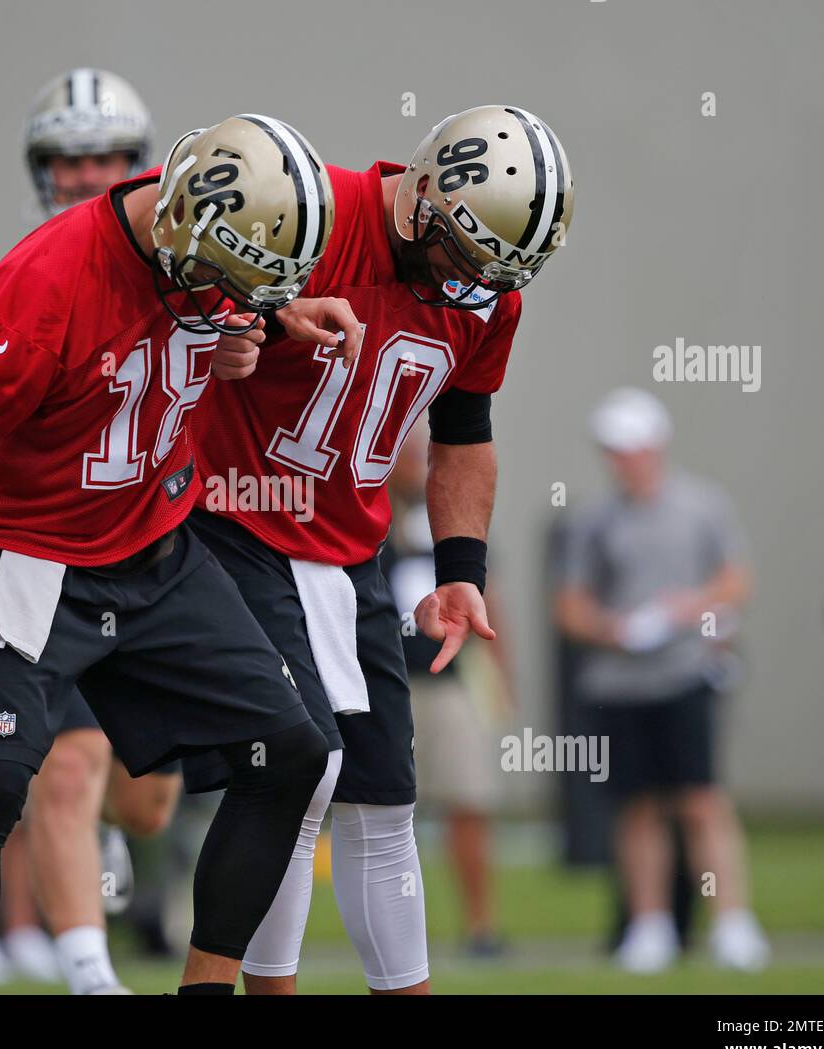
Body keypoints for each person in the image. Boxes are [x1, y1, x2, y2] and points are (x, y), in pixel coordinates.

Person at [0, 114, 359, 995]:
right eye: (230, 278)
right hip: (25, 559)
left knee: (291, 753)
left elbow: (220, 303)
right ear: (183, 225)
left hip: (153, 545)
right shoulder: (41, 282)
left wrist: (277, 318)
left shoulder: (212, 247)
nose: (234, 294)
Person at [185, 105, 574, 993]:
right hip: (235, 520)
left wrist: (461, 571)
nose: (468, 285)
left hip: (351, 550)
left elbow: (465, 430)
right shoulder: (309, 209)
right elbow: (175, 299)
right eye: (463, 256)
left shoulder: (487, 296)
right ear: (424, 197)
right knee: (301, 777)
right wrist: (239, 328)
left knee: (385, 802)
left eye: (493, 271)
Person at [0, 67, 184, 994]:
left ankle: (103, 836)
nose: (91, 175)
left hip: (153, 555)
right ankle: (91, 975)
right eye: (70, 159)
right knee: (65, 768)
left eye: (109, 157)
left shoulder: (183, 273)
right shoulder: (19, 284)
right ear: (41, 171)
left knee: (145, 802)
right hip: (49, 560)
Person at [555, 388, 769, 972]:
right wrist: (616, 628)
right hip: (620, 684)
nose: (625, 461)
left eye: (633, 449)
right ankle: (649, 927)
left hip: (686, 675)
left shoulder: (702, 506)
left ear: (657, 445)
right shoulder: (592, 521)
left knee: (701, 802)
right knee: (638, 807)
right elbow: (571, 608)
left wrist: (684, 608)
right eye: (615, 451)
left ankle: (732, 924)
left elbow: (735, 581)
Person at [383, 427, 511, 956]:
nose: (417, 469)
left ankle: (480, 927)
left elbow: (491, 601)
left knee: (467, 803)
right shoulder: (367, 522)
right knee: (382, 813)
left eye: (423, 459)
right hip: (384, 684)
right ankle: (392, 936)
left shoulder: (454, 521)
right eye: (407, 459)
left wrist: (503, 680)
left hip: (449, 684)